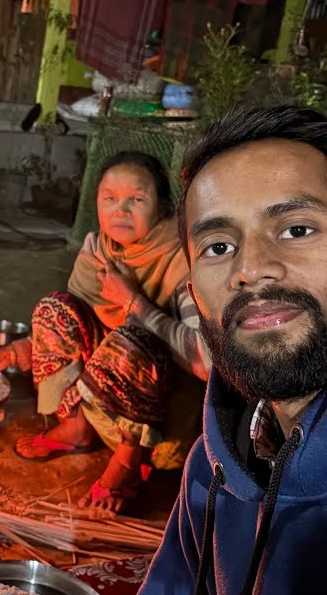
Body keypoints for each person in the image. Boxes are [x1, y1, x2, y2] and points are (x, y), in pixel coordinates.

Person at [142, 107, 327, 593]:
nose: (251, 268)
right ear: (194, 292)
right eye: (219, 247)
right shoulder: (211, 468)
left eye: (297, 229)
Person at [0, 151, 211, 513]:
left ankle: (128, 465)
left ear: (163, 206)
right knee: (56, 308)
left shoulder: (185, 261)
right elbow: (70, 329)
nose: (120, 210)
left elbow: (206, 361)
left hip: (162, 427)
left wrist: (132, 302)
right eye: (109, 198)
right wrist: (12, 352)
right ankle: (76, 427)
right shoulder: (98, 250)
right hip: (102, 405)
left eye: (137, 199)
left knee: (130, 338)